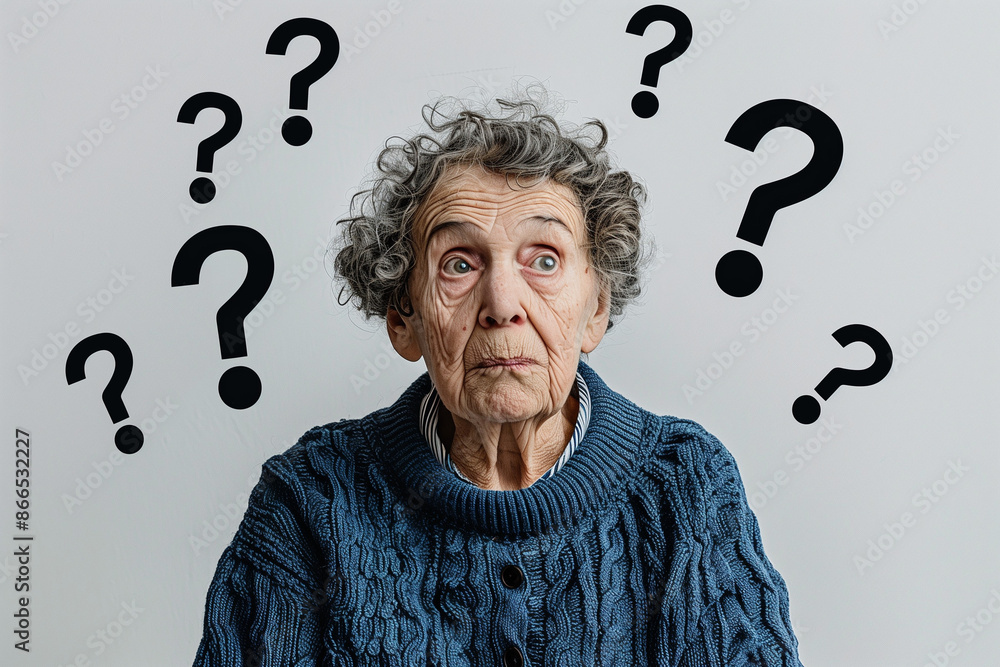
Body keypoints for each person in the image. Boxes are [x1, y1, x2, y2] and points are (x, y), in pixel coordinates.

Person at [193, 89, 804, 666]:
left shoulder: (684, 489)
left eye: (544, 259)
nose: (502, 302)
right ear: (402, 319)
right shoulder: (312, 500)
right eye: (458, 263)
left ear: (596, 310)